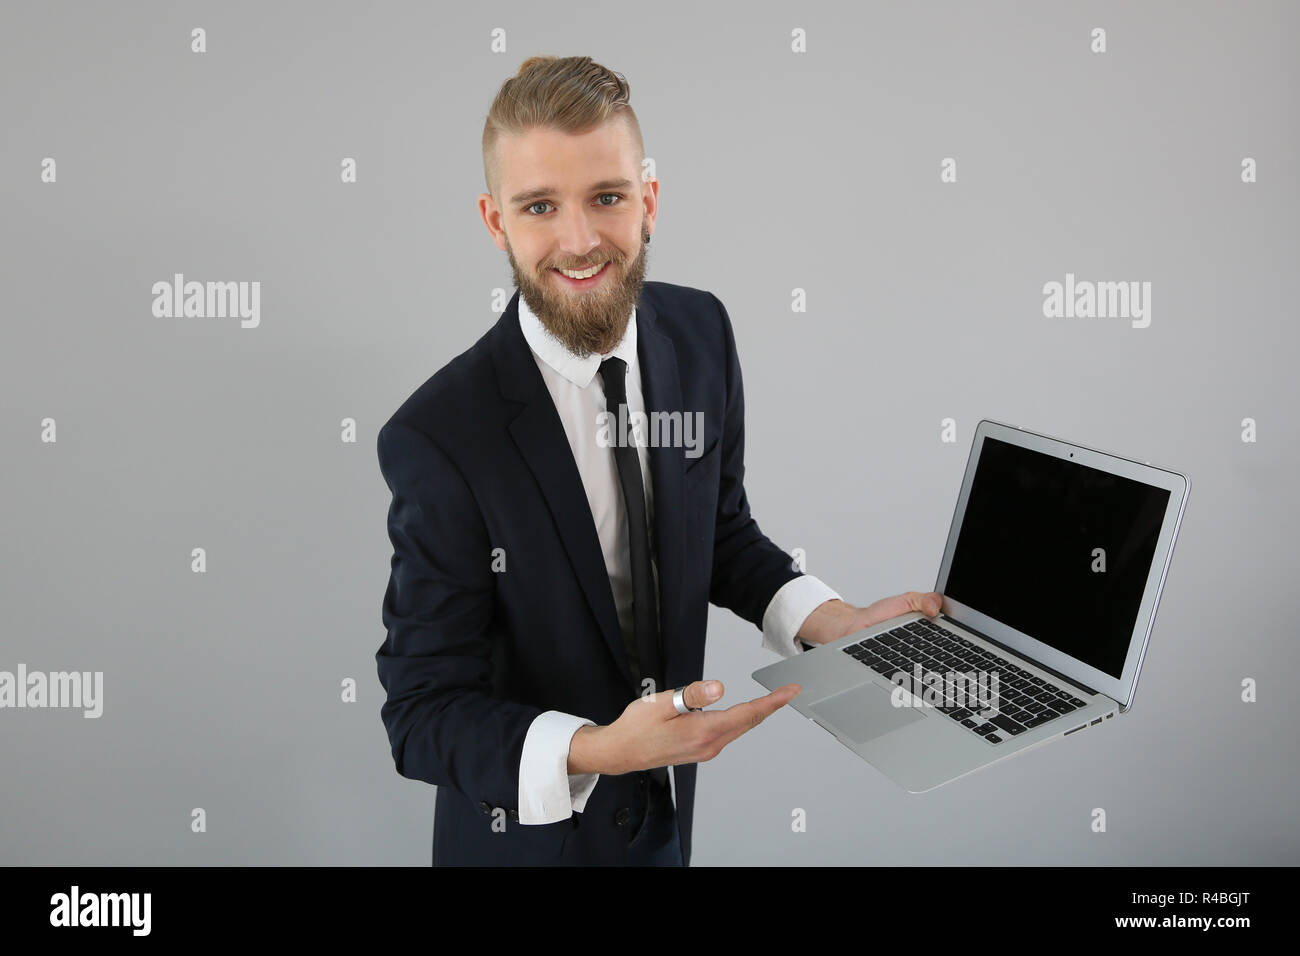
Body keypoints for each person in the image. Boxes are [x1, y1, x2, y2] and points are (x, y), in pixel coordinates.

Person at [375, 54, 943, 866]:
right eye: (540, 206)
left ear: (648, 200)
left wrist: (830, 622)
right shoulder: (440, 436)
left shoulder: (701, 334)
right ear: (497, 223)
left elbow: (719, 531)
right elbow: (422, 712)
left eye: (606, 197)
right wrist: (597, 751)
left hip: (665, 836)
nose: (579, 242)